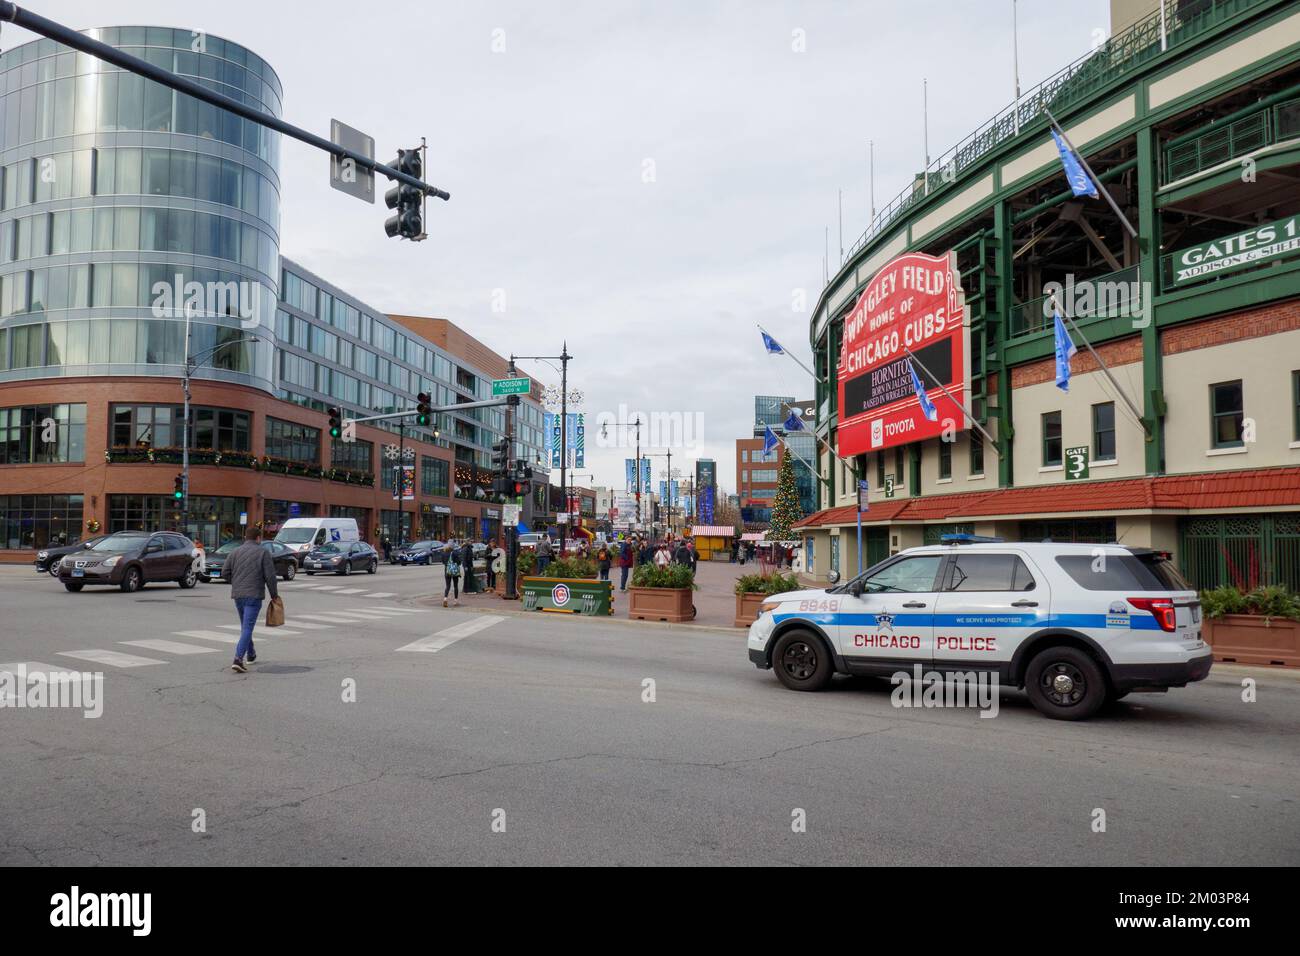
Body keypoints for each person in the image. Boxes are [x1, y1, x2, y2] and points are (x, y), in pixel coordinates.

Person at [223, 526, 279, 673]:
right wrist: (274, 595)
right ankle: (238, 659)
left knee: (245, 627)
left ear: (245, 538)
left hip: (238, 595)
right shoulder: (263, 552)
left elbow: (225, 572)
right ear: (258, 538)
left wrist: (235, 583)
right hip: (254, 596)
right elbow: (270, 577)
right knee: (247, 628)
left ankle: (251, 654)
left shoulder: (235, 552)